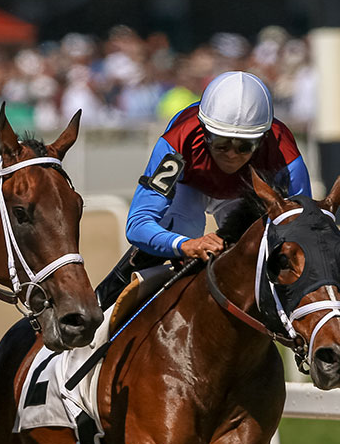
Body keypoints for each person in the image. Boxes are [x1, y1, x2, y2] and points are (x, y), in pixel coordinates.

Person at [99, 69, 310, 307]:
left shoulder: (286, 156)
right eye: (221, 143)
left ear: (263, 139)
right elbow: (138, 224)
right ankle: (102, 306)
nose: (231, 154)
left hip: (246, 193)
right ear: (204, 132)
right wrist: (185, 245)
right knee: (176, 234)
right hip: (188, 188)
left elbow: (303, 233)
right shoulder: (177, 140)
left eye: (245, 146)